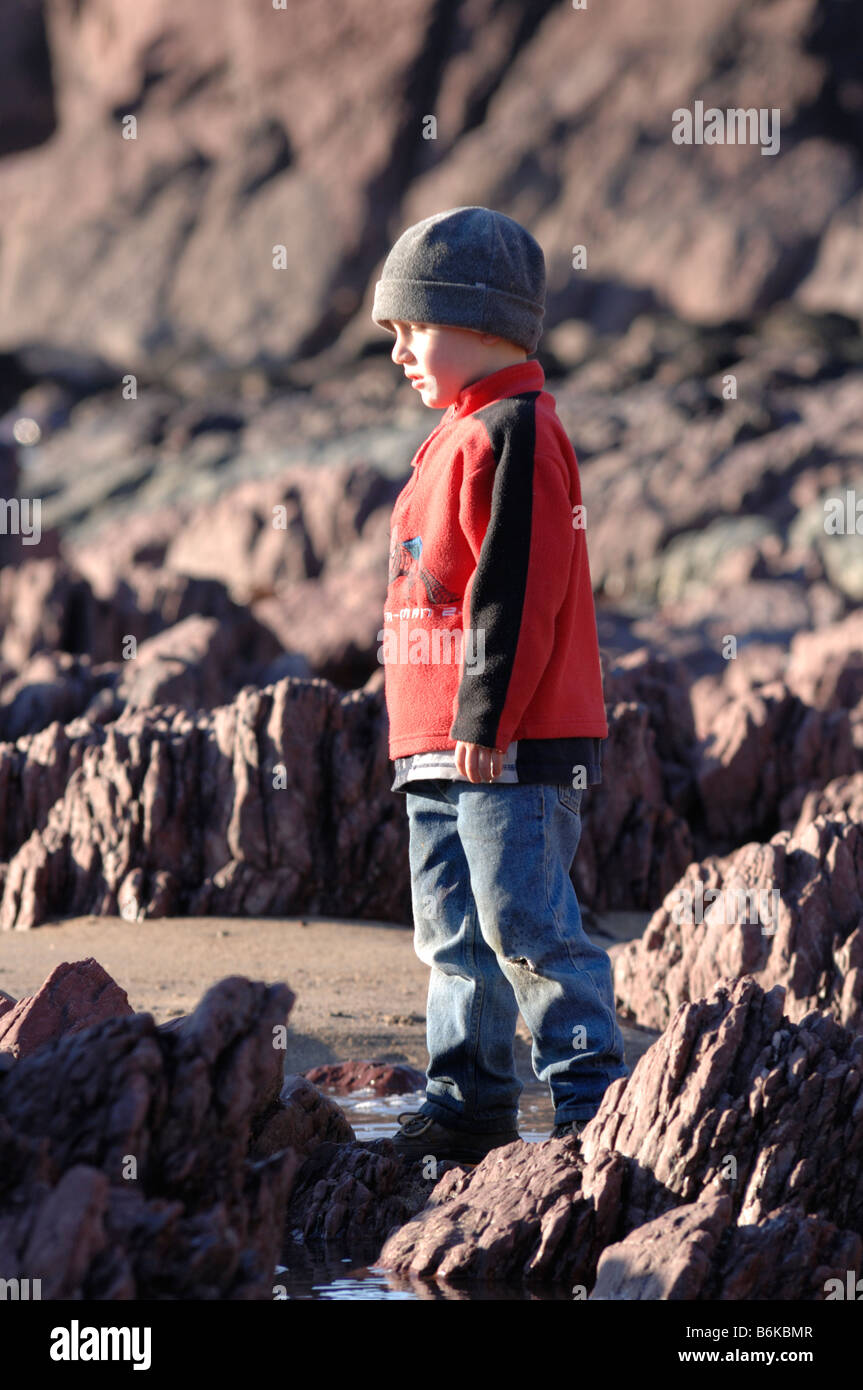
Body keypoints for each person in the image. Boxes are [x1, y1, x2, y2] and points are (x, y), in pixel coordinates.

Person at [371, 206, 628, 1164]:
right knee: (450, 937)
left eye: (412, 328)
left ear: (485, 325)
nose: (397, 350)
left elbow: (517, 589)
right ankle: (468, 1099)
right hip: (440, 747)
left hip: (508, 745)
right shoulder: (456, 430)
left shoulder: (517, 429)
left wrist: (487, 715)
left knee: (525, 924)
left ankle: (587, 1100)